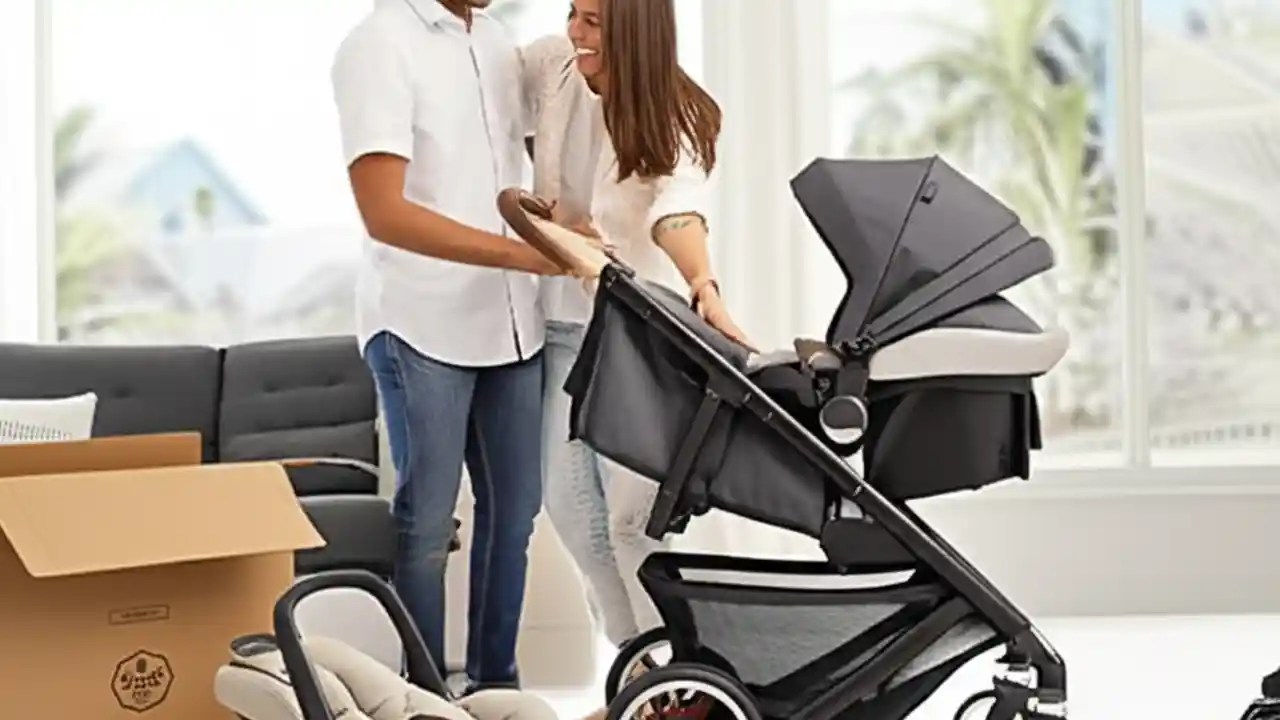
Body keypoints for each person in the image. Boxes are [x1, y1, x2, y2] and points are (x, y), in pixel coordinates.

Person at [330, 0, 569, 695]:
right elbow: (385, 212)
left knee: (516, 510)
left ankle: (497, 688)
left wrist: (552, 230)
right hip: (420, 320)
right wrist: (518, 254)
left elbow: (509, 175)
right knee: (428, 521)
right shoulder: (378, 46)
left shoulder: (496, 41)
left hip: (511, 322)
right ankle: (425, 697)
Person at [521, 0, 752, 667]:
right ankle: (645, 671)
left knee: (629, 527)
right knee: (569, 512)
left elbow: (677, 212)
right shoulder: (552, 67)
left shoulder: (675, 114)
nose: (575, 32)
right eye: (572, 13)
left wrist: (705, 285)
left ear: (636, 27)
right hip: (566, 330)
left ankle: (675, 680)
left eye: (593, 21)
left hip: (639, 344)